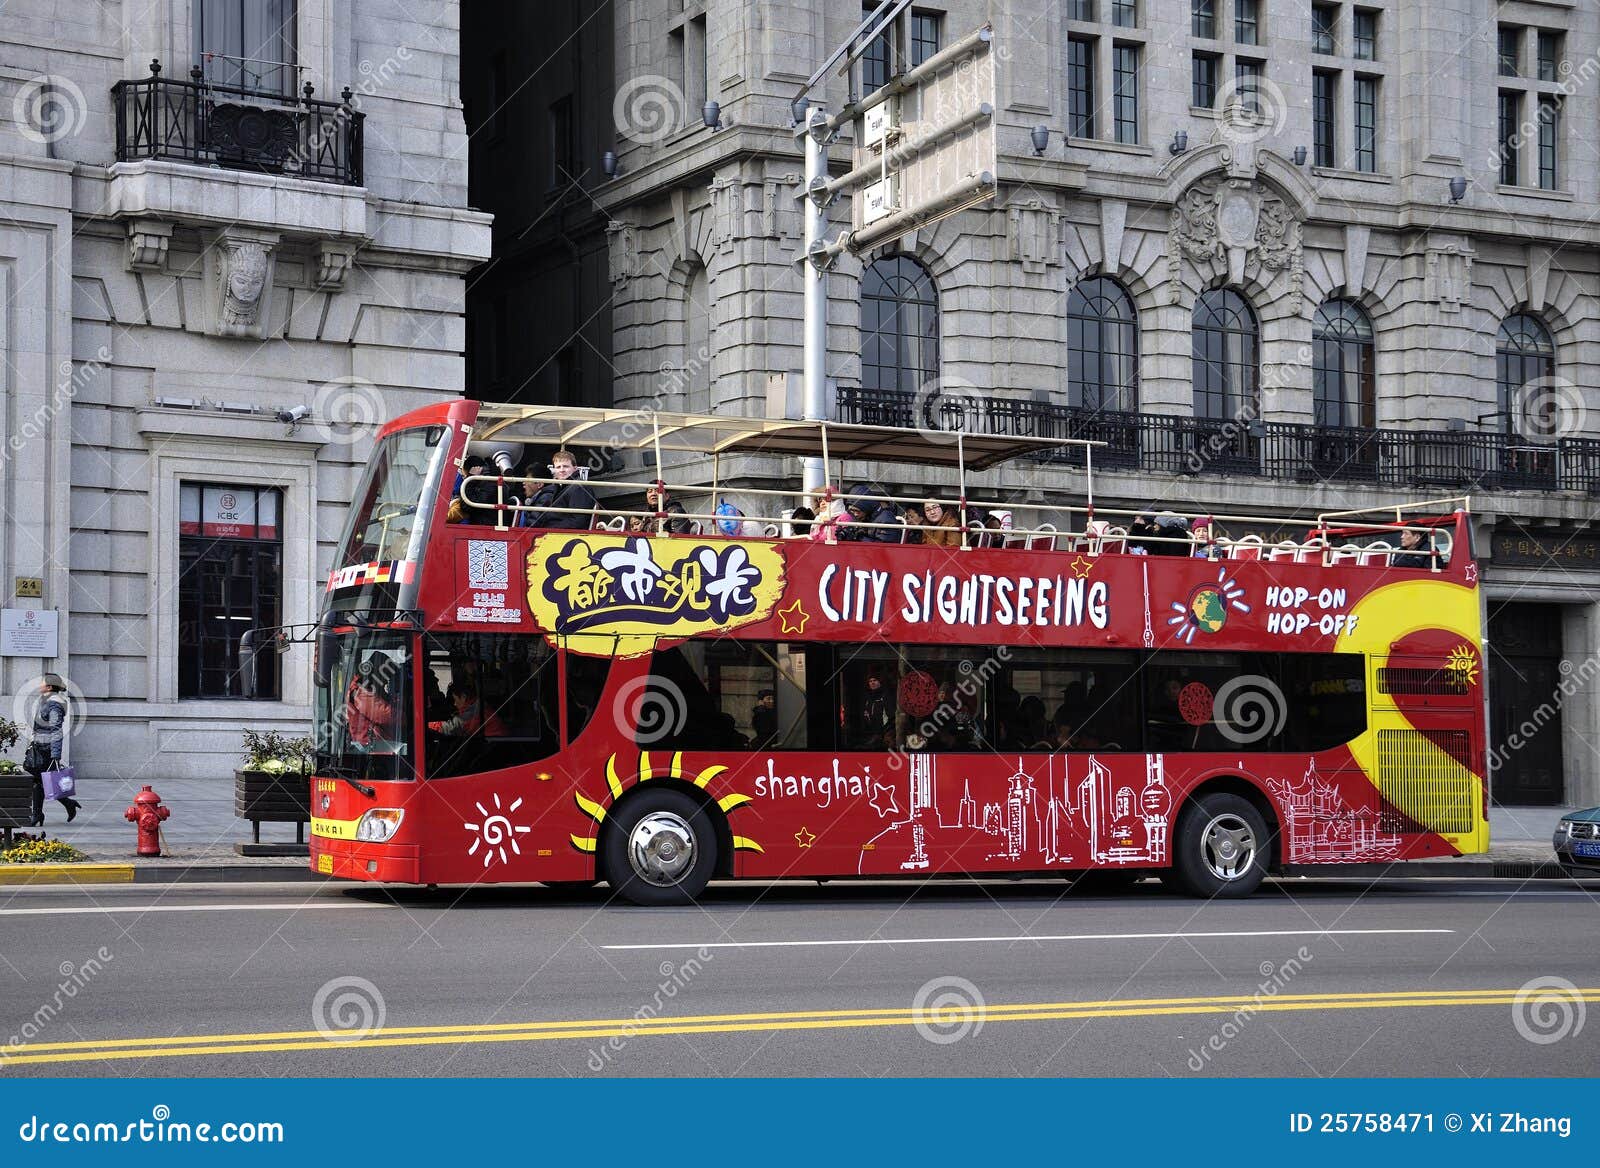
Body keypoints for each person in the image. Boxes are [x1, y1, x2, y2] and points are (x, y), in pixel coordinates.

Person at [24, 675, 77, 825]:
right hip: (39, 747)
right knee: (39, 780)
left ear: (49, 687)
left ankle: (38, 815)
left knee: (38, 780)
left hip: (46, 749)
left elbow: (56, 730)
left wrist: (55, 755)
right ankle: (65, 805)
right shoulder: (46, 701)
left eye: (42, 683)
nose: (39, 685)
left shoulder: (54, 705)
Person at [521, 449, 596, 530]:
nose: (562, 470)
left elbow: (578, 522)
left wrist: (547, 529)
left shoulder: (579, 487)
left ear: (575, 468)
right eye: (558, 467)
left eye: (566, 466)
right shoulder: (561, 487)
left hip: (561, 535)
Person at [427, 680, 506, 737]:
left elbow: (452, 727)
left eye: (455, 700)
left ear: (463, 697)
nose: (455, 704)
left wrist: (426, 725)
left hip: (494, 746)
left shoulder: (474, 710)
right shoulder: (476, 705)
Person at [857, 672, 893, 748]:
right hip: (870, 732)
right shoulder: (868, 697)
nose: (872, 683)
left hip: (883, 732)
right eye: (870, 681)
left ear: (880, 682)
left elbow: (890, 715)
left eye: (875, 680)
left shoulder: (885, 695)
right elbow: (865, 713)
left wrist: (885, 731)